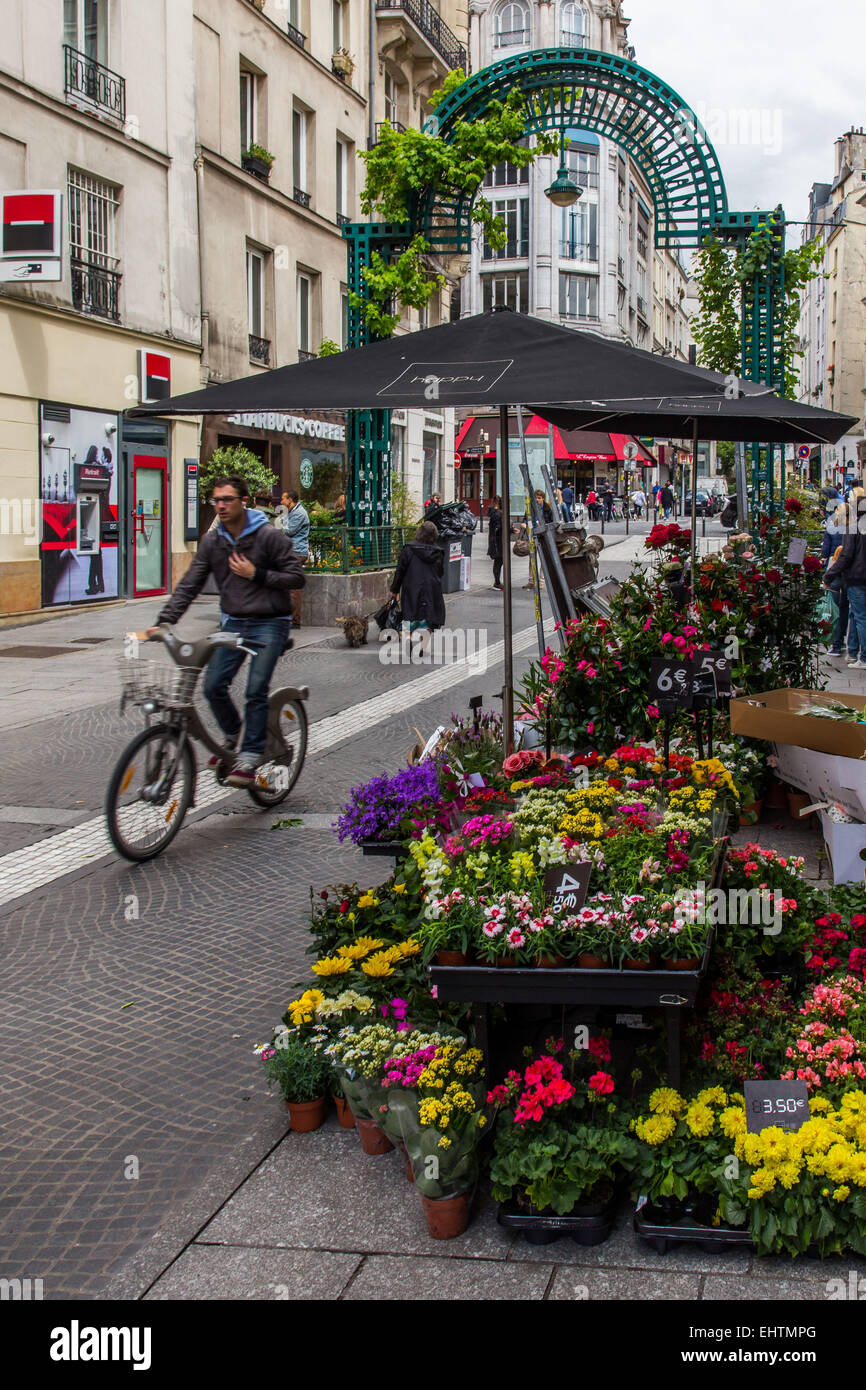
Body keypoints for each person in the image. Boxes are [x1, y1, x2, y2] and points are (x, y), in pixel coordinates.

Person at [151, 475, 305, 787]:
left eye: (227, 499)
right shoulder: (213, 541)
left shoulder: (267, 536)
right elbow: (192, 582)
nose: (220, 505)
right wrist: (166, 619)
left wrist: (256, 574)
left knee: (255, 688)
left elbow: (296, 577)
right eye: (216, 500)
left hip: (270, 621)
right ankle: (234, 735)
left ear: (243, 501)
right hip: (233, 622)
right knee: (212, 686)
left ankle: (250, 755)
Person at [824, 494, 866, 669]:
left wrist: (829, 574)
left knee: (860, 617)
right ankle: (853, 652)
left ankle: (863, 658)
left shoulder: (853, 528)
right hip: (859, 577)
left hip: (856, 578)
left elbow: (846, 556)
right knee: (855, 616)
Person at [389, 519, 445, 634]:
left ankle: (408, 645)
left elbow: (399, 572)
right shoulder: (438, 552)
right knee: (428, 621)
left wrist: (394, 591)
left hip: (411, 590)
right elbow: (440, 573)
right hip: (431, 591)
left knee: (408, 619)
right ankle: (421, 648)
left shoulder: (408, 549)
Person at [280, 490, 310, 629]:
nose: (281, 502)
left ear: (290, 500)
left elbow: (288, 530)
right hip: (292, 551)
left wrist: (278, 523)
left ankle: (295, 620)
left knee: (293, 587)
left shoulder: (299, 513)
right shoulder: (292, 512)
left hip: (297, 552)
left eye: (283, 499)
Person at [487, 494, 503, 590]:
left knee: (499, 561)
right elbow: (499, 527)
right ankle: (497, 582)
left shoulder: (494, 513)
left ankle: (497, 581)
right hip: (497, 541)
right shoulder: (497, 513)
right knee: (498, 561)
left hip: (496, 540)